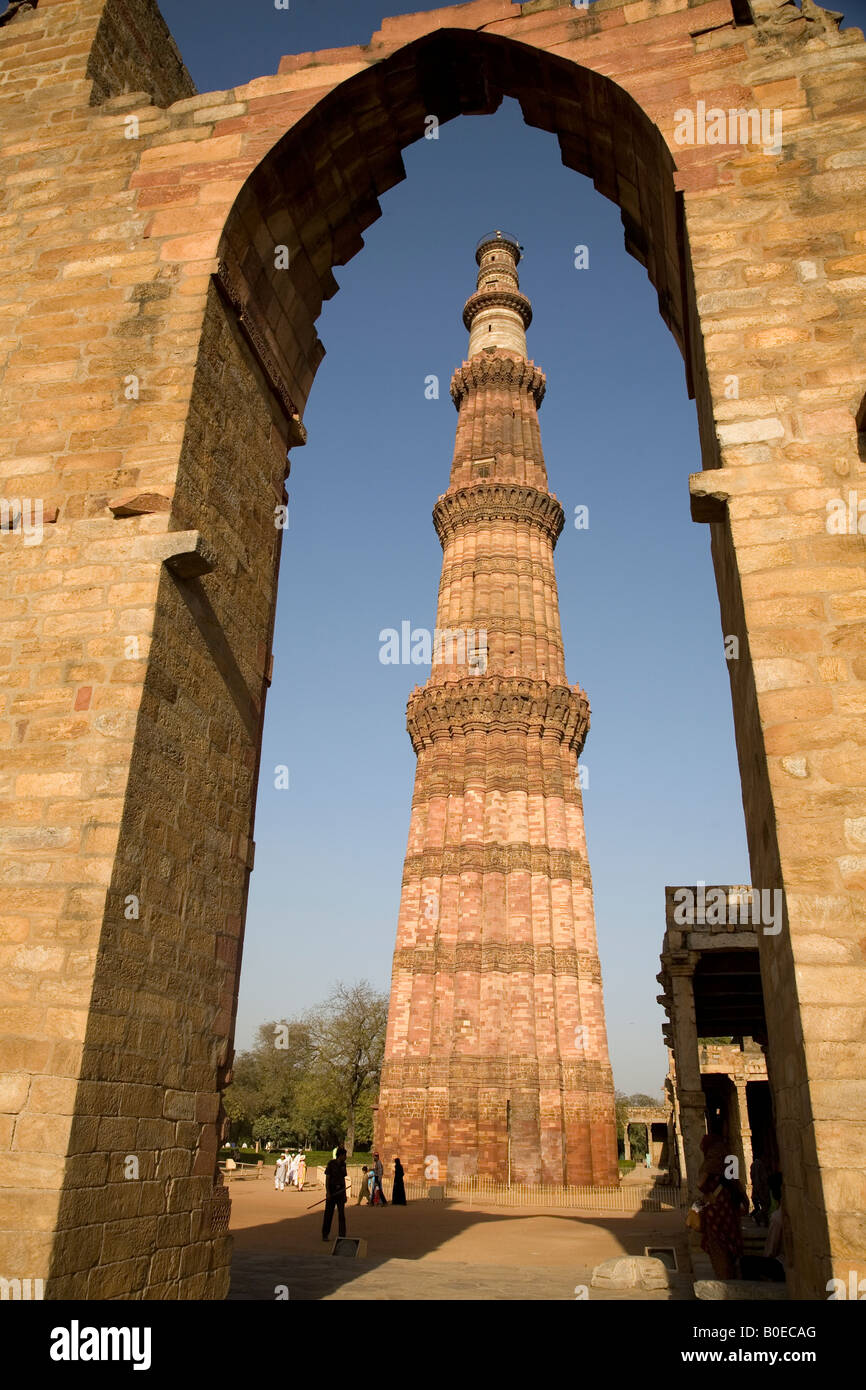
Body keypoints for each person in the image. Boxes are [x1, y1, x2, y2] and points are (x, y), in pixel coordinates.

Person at [697, 1136, 749, 1280]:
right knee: (732, 1247)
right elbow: (736, 1183)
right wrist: (744, 1203)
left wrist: (707, 1193)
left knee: (718, 1250)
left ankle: (724, 1279)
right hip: (730, 1213)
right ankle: (733, 1276)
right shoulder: (730, 1160)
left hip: (716, 1214)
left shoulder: (711, 1162)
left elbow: (700, 1184)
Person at [322, 1146, 348, 1241]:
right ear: (340, 1155)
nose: (346, 1157)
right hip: (332, 1190)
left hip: (340, 1191)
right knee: (329, 1214)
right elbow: (327, 1178)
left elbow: (343, 1179)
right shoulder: (331, 1164)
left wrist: (344, 1194)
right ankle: (325, 1234)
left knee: (341, 1214)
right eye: (345, 1155)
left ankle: (342, 1235)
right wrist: (328, 1192)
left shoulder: (343, 1165)